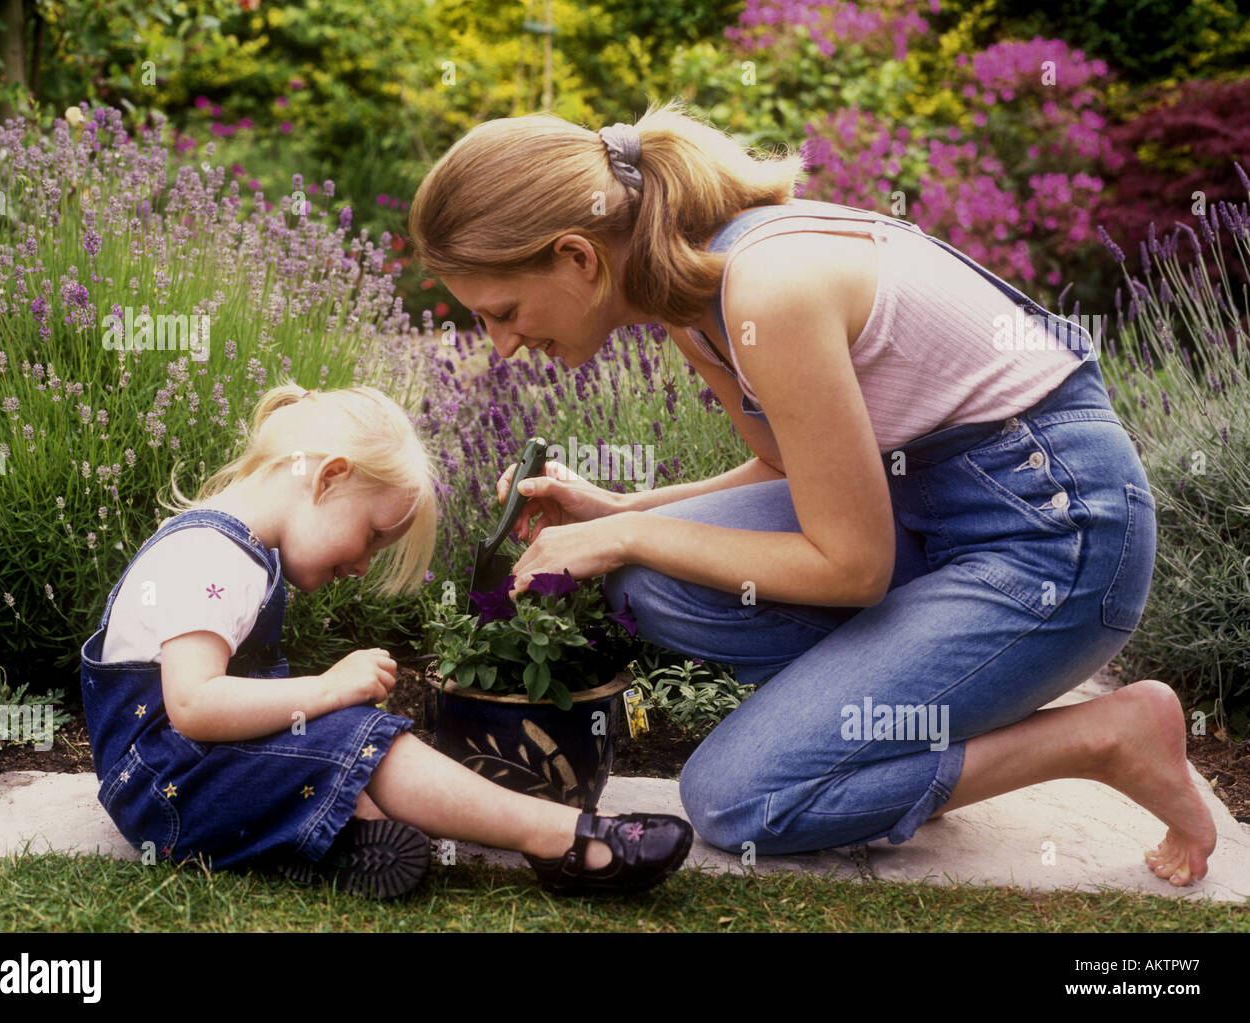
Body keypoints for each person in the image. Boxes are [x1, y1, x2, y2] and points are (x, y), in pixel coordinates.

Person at [408, 97, 1217, 886]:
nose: (503, 345)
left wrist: (627, 534)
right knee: (653, 579)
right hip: (937, 517)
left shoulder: (766, 287)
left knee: (739, 797)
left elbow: (853, 566)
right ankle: (881, 737)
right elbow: (788, 467)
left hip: (1058, 538)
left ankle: (1107, 737)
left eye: (503, 311)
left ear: (579, 256)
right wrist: (621, 514)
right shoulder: (688, 288)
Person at [79, 382, 694, 897]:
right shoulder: (207, 557)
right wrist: (325, 688)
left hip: (189, 775)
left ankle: (341, 834)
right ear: (328, 480)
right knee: (359, 738)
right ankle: (565, 836)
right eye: (373, 535)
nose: (363, 564)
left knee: (350, 747)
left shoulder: (235, 550)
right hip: (166, 788)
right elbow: (193, 706)